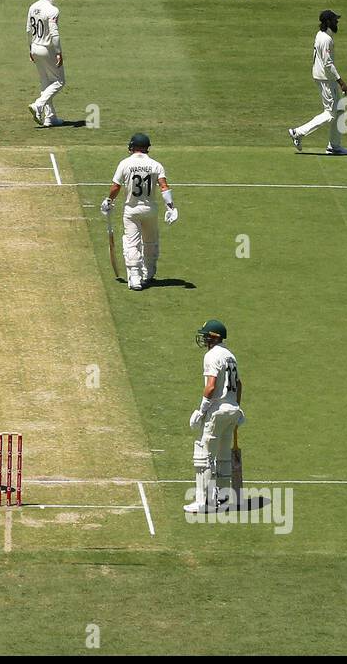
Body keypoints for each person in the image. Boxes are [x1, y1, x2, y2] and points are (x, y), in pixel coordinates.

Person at [101, 133, 177, 290]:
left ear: (132, 146)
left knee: (132, 243)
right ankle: (148, 273)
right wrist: (171, 207)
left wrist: (109, 201)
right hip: (150, 210)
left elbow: (116, 186)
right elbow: (163, 186)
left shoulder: (125, 163)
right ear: (147, 147)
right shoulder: (156, 165)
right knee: (150, 241)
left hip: (132, 210)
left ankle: (135, 277)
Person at [185, 320, 245, 513]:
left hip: (217, 412)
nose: (204, 339)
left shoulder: (212, 355)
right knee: (224, 455)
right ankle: (224, 498)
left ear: (214, 337)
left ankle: (203, 503)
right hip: (232, 411)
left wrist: (201, 410)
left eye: (206, 336)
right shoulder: (230, 356)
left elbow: (211, 386)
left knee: (204, 456)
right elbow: (239, 384)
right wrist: (236, 407)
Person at [288, 9, 347, 155]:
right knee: (330, 114)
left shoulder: (322, 35)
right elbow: (328, 63)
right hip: (325, 79)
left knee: (340, 110)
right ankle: (298, 132)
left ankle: (334, 146)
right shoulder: (325, 39)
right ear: (328, 22)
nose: (337, 22)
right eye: (335, 20)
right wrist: (340, 81)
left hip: (324, 77)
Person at [27, 0, 65, 127]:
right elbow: (54, 34)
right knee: (59, 81)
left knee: (45, 82)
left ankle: (50, 117)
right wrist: (58, 52)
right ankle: (38, 105)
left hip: (35, 47)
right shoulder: (53, 10)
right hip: (46, 49)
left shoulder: (33, 6)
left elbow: (28, 30)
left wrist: (29, 48)